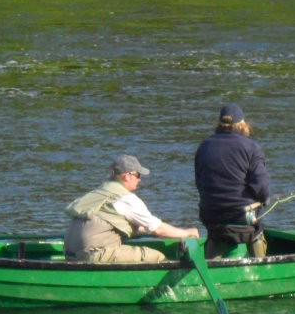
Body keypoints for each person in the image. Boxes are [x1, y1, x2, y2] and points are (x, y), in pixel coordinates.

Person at [64, 156, 200, 264]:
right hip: (93, 256)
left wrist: (142, 230)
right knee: (156, 256)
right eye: (138, 175)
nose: (140, 180)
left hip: (71, 255)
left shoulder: (99, 193)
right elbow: (158, 229)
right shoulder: (125, 199)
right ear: (127, 176)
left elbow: (109, 224)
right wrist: (186, 233)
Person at [194, 103, 271, 258]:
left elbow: (199, 184)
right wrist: (265, 200)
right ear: (243, 125)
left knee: (216, 234)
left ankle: (210, 264)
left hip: (210, 216)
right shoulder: (252, 148)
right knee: (256, 230)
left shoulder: (203, 147)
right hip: (241, 218)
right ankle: (262, 266)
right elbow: (262, 188)